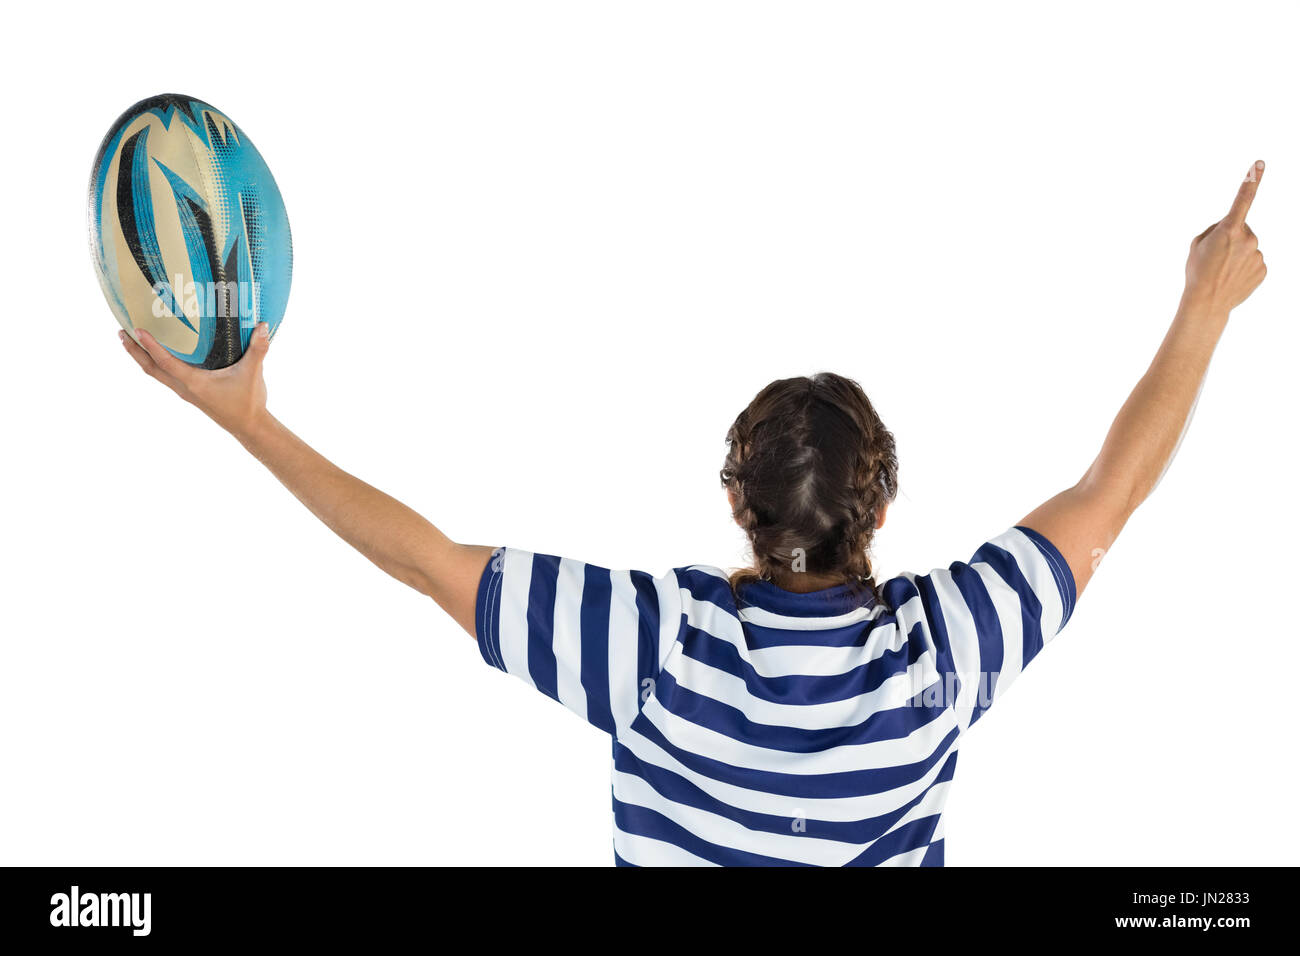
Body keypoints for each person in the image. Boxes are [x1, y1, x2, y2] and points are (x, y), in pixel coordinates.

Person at [120, 163, 1269, 866]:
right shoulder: (946, 653)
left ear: (736, 498)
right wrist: (1204, 304)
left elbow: (425, 560)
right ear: (882, 501)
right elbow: (1109, 491)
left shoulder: (647, 647)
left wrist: (249, 420)